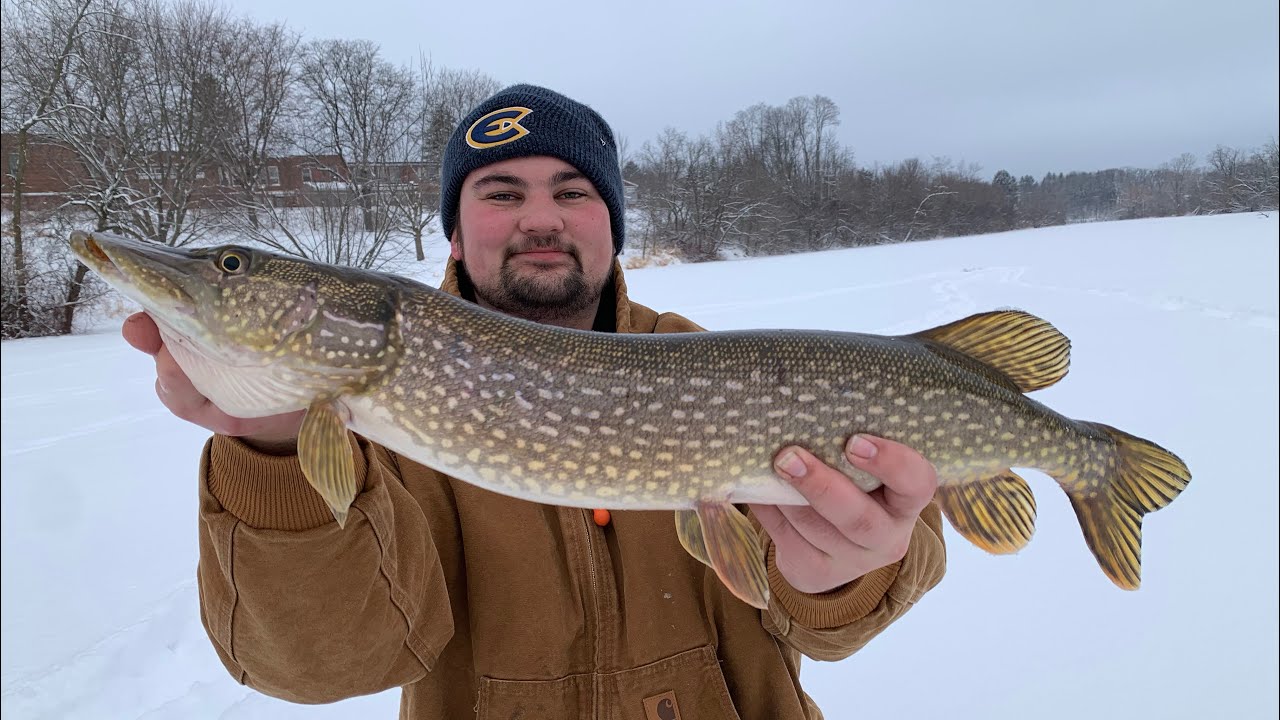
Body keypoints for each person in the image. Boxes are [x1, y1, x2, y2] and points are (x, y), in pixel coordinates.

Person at [122, 84, 946, 719]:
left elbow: (830, 622)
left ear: (613, 227)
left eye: (573, 192)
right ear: (454, 232)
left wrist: (846, 577)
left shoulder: (721, 368)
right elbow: (319, 669)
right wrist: (273, 456)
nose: (541, 218)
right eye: (502, 193)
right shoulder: (372, 431)